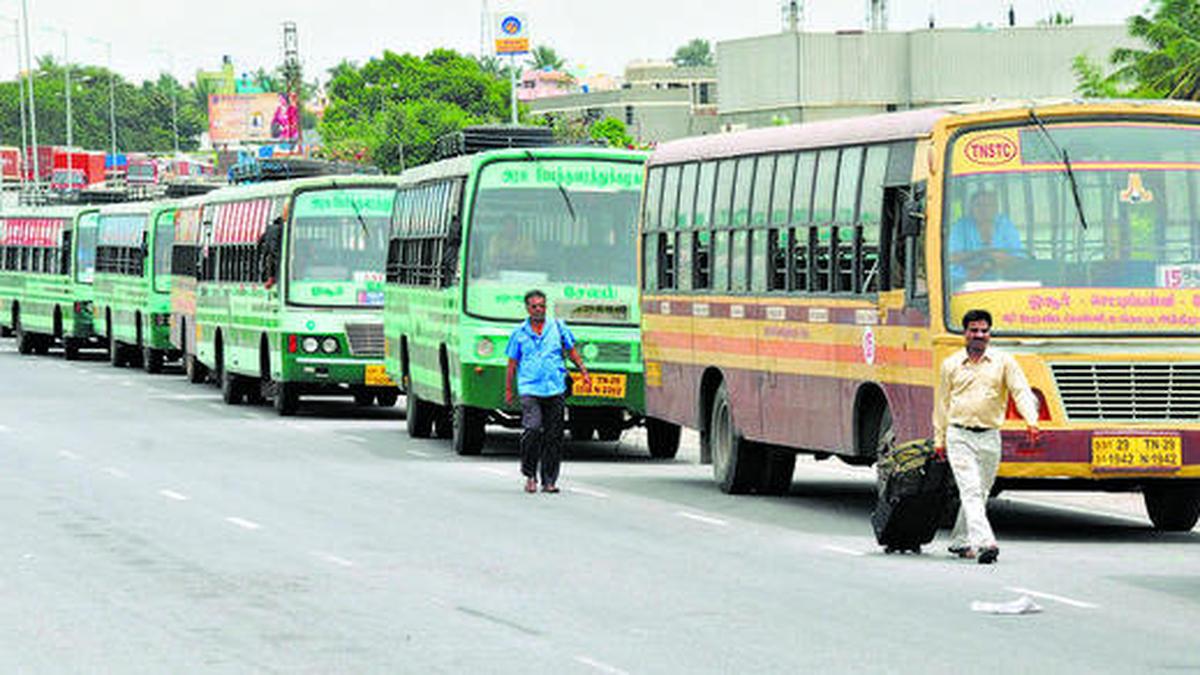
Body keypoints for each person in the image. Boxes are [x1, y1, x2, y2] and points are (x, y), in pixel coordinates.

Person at [933, 308, 1040, 564]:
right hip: (959, 435)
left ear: (990, 333)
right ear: (965, 333)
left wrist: (1031, 421)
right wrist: (939, 439)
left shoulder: (1004, 362)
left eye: (984, 331)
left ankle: (960, 542)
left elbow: (1021, 391)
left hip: (990, 436)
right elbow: (942, 405)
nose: (979, 335)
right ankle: (985, 543)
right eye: (974, 331)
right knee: (970, 490)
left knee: (980, 492)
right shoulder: (951, 365)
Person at [505, 289, 591, 494]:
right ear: (527, 308)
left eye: (542, 306)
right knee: (532, 429)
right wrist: (509, 389)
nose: (539, 310)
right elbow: (512, 364)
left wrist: (584, 372)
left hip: (555, 388)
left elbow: (571, 352)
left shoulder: (558, 327)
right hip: (530, 388)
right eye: (534, 306)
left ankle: (549, 480)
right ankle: (529, 474)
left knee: (554, 436)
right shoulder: (519, 333)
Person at [948, 190, 1025, 287]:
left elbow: (1019, 258)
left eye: (989, 205)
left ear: (996, 208)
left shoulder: (1005, 225)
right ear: (971, 209)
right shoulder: (961, 227)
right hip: (965, 283)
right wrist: (980, 255)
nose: (984, 209)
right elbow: (950, 258)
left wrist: (995, 262)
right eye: (979, 205)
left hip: (1004, 282)